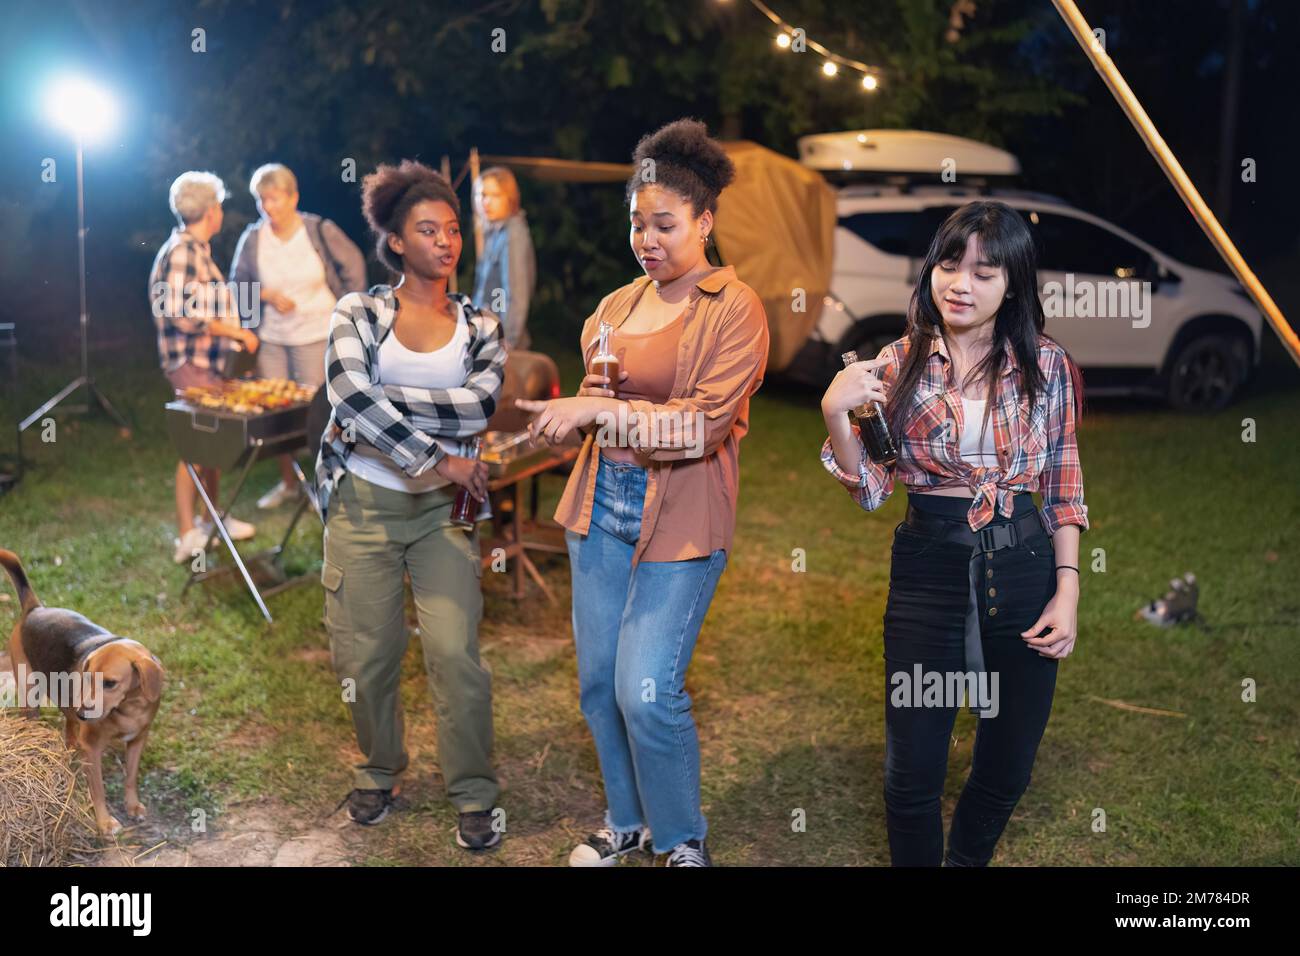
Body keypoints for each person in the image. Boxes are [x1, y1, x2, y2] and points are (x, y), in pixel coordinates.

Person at [516, 119, 769, 867]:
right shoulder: (616, 306)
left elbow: (700, 428)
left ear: (705, 221)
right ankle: (625, 822)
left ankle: (683, 838)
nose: (647, 239)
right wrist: (573, 418)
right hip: (602, 509)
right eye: (637, 224)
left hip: (682, 519)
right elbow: (599, 404)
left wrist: (602, 411)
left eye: (665, 224)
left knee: (648, 691)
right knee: (599, 686)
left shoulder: (735, 307)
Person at [819, 200, 1089, 866]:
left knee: (1007, 768)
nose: (960, 284)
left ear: (1013, 285)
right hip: (928, 573)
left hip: (1022, 568)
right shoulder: (897, 362)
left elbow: (1062, 484)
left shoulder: (1047, 366)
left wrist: (1068, 590)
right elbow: (874, 489)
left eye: (985, 272)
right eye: (949, 264)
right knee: (911, 777)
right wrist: (834, 412)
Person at [315, 159, 506, 852]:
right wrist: (444, 454)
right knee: (365, 657)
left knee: (456, 654)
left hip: (441, 515)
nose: (446, 241)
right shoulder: (358, 311)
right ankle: (378, 771)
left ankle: (475, 793)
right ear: (396, 240)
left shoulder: (481, 325)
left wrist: (385, 412)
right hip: (363, 505)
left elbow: (478, 404)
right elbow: (345, 393)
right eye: (428, 230)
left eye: (453, 229)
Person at [230, 163, 367, 509]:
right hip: (272, 339)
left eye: (274, 198)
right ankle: (289, 483)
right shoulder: (253, 238)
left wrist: (349, 317)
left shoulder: (318, 229)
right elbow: (238, 285)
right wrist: (264, 296)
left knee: (319, 414)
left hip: (316, 334)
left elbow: (354, 268)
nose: (267, 207)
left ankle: (330, 482)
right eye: (262, 200)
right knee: (277, 417)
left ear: (293, 197)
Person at [148, 171, 260, 563]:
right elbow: (179, 313)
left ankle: (211, 518)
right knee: (195, 443)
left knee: (210, 440)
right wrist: (235, 331)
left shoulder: (196, 249)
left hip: (208, 362)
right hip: (189, 361)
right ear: (211, 210)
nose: (221, 212)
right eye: (220, 206)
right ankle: (187, 535)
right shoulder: (182, 251)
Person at [471, 166, 536, 350]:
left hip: (503, 345)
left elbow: (516, 294)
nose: (486, 202)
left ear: (510, 198)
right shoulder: (494, 233)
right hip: (486, 339)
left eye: (495, 195)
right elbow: (489, 293)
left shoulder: (513, 234)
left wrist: (508, 342)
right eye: (482, 195)